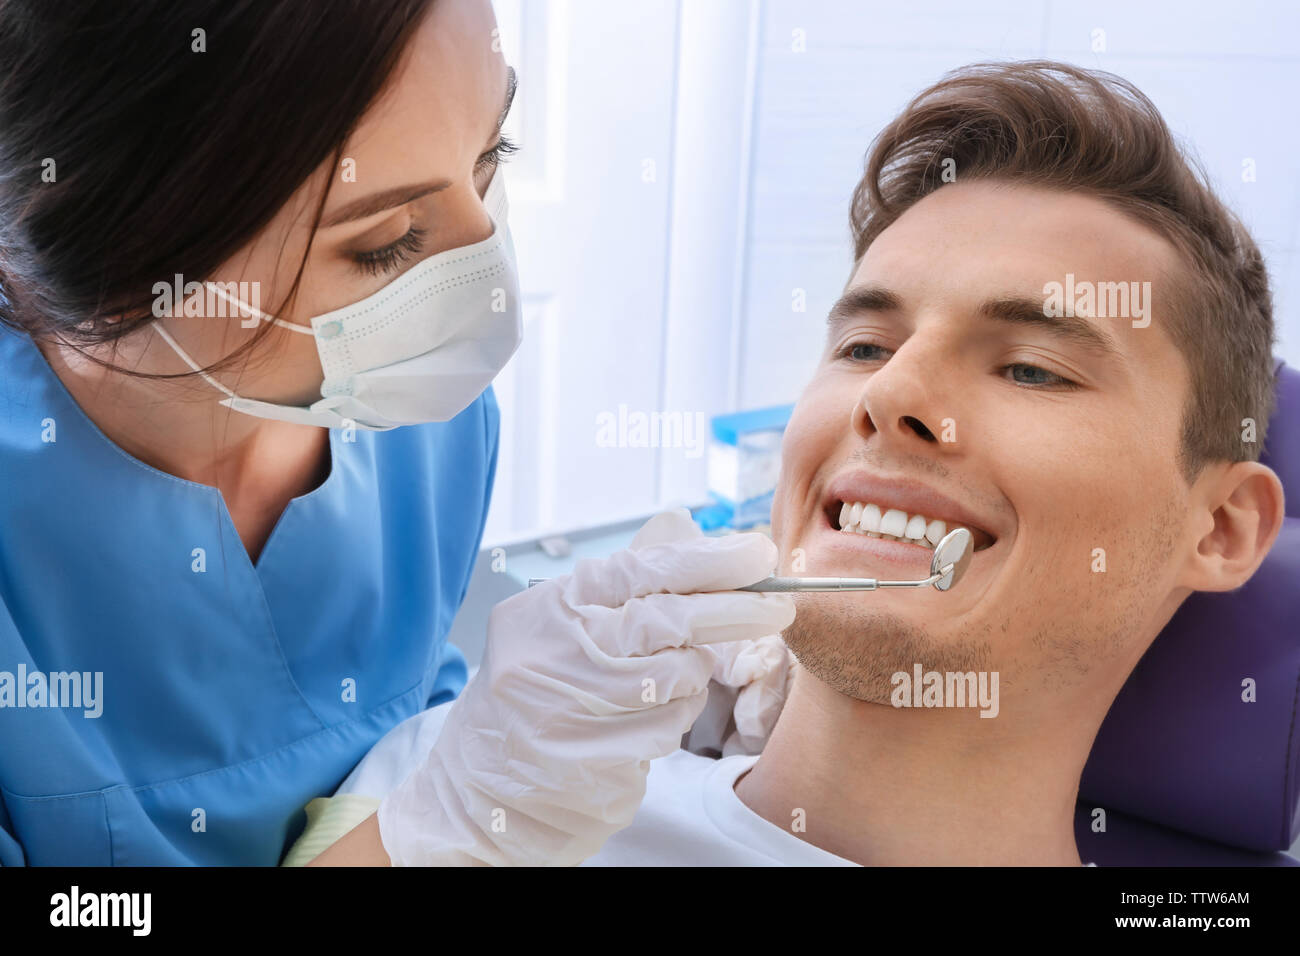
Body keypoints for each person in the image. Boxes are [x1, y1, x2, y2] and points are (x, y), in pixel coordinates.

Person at [290, 60, 1285, 866]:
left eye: (1030, 367)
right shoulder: (469, 788)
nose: (887, 394)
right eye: (862, 345)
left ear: (1222, 525)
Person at [0, 0, 793, 866]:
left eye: (491, 160)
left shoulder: (420, 432)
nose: (486, 280)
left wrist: (573, 732)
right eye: (386, 241)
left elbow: (396, 745)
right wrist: (452, 822)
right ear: (107, 247)